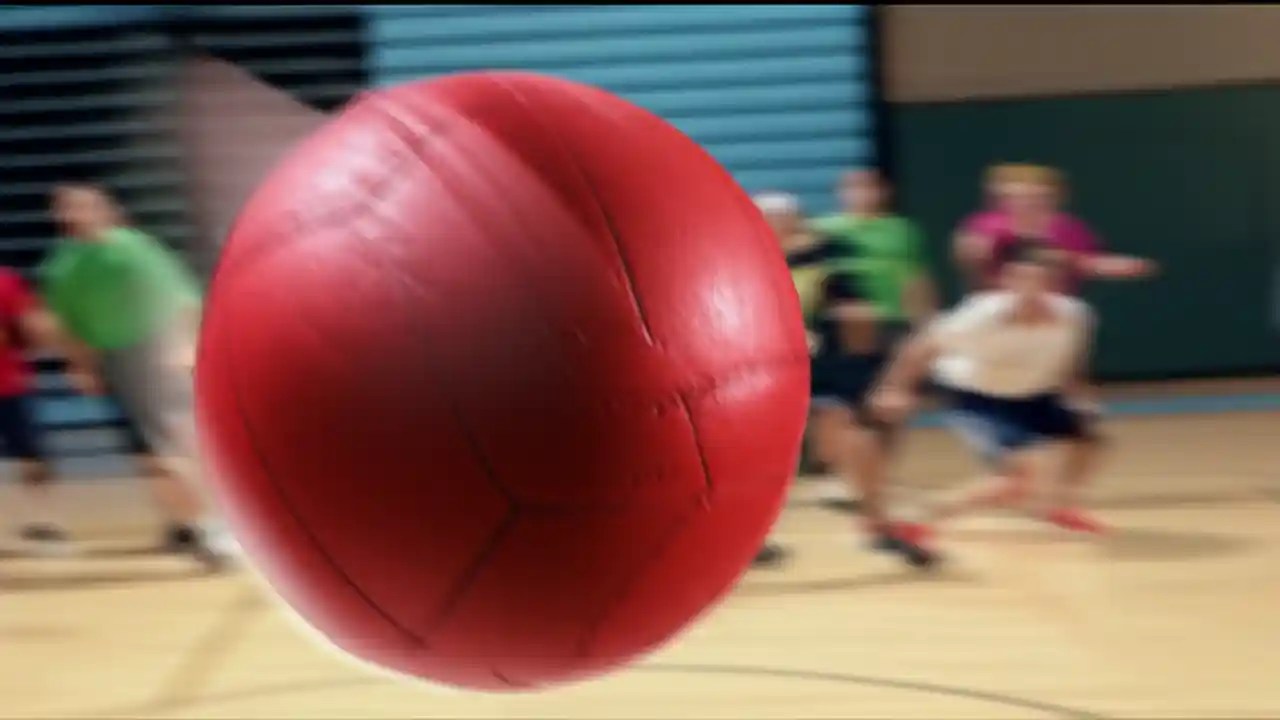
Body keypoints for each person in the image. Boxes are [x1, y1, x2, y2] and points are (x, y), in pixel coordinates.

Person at [42, 183, 235, 568]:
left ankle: (211, 529)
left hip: (151, 353)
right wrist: (82, 366)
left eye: (84, 207)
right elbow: (68, 324)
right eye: (67, 210)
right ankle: (185, 522)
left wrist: (183, 347)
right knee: (151, 453)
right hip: (115, 360)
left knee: (169, 447)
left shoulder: (134, 249)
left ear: (104, 210)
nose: (76, 216)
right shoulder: (64, 265)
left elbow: (180, 299)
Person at [871, 242, 1106, 555]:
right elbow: (921, 347)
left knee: (1089, 443)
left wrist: (1080, 396)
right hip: (977, 398)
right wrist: (895, 389)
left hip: (1035, 394)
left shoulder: (1075, 316)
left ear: (1055, 285)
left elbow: (1070, 361)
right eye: (1023, 280)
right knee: (1019, 479)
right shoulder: (978, 316)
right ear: (1008, 281)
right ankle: (917, 521)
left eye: (1042, 281)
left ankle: (1055, 505)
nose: (1031, 290)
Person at [789, 169, 939, 567]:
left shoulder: (901, 232)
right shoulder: (825, 231)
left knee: (883, 417)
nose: (862, 194)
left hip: (886, 326)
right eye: (853, 188)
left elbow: (916, 278)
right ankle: (856, 496)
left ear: (882, 191)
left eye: (869, 187)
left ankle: (868, 500)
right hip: (836, 336)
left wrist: (925, 322)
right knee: (845, 420)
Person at [954, 164, 1156, 294]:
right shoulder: (983, 226)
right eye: (1016, 196)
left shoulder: (1070, 228)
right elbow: (973, 260)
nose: (1026, 203)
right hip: (995, 307)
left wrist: (1119, 267)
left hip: (1055, 310)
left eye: (1037, 196)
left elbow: (1087, 264)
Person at [0, 266, 75, 553]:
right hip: (10, 383)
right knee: (31, 455)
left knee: (31, 455)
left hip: (9, 384)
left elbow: (34, 327)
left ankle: (48, 522)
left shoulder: (5, 282)